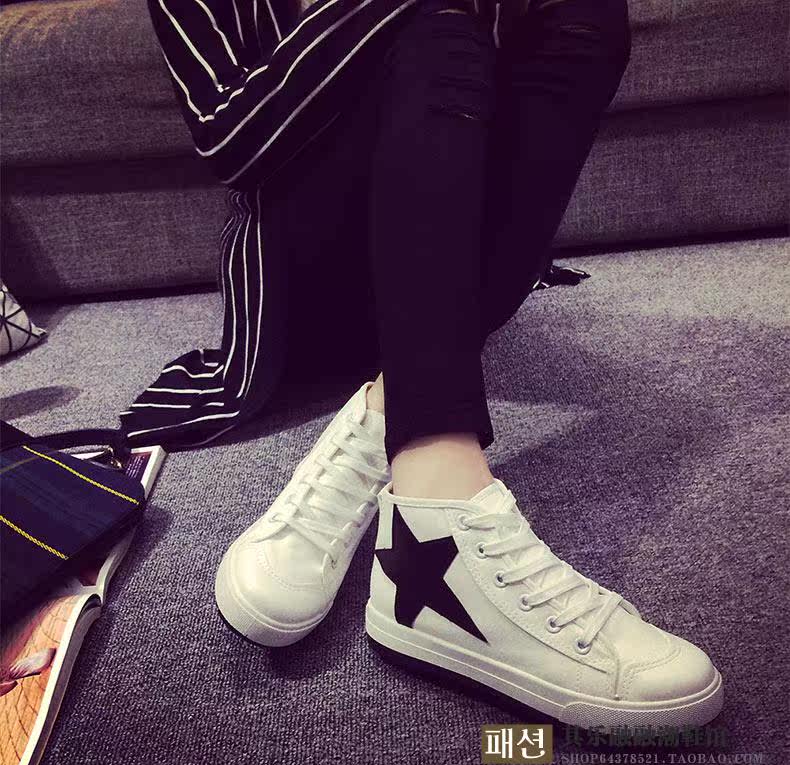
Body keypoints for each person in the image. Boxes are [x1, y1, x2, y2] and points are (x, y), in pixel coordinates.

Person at [136, 0, 723, 728]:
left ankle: (393, 419)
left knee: (582, 13)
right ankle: (436, 505)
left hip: (442, 262)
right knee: (437, 25)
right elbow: (229, 136)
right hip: (306, 282)